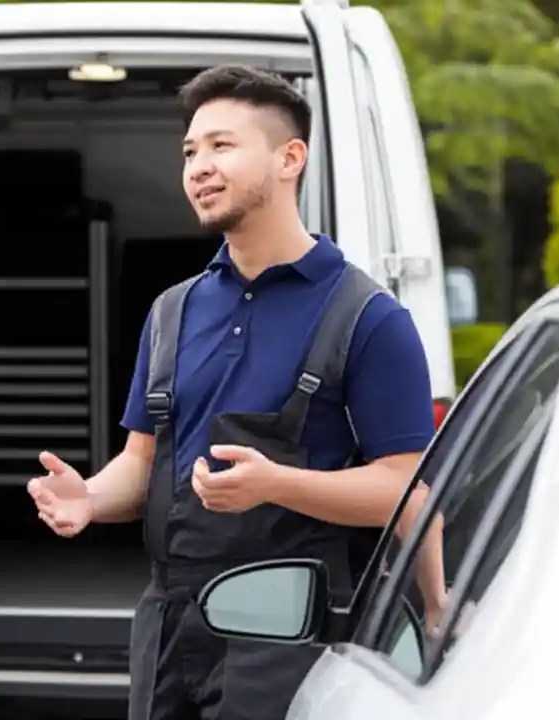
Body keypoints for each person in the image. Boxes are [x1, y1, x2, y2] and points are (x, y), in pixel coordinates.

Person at [27, 65, 448, 719]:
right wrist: (88, 498)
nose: (198, 166)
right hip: (169, 629)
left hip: (289, 637)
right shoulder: (172, 312)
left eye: (222, 146)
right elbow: (143, 464)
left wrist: (275, 483)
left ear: (290, 158)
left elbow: (407, 493)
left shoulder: (368, 317)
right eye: (190, 152)